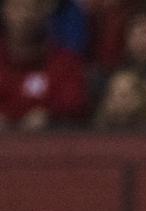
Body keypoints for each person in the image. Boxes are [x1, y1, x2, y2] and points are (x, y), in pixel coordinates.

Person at [0, 0, 88, 129]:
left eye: (32, 8)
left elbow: (75, 103)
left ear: (45, 13)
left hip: (52, 143)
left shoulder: (65, 62)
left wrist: (51, 116)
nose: (26, 15)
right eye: (17, 8)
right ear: (5, 12)